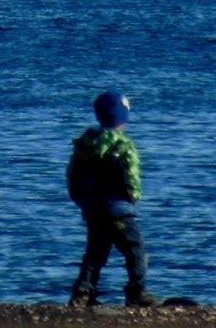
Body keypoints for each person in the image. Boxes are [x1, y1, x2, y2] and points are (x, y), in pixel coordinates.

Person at [67, 90, 158, 307]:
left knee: (95, 252)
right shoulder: (124, 145)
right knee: (135, 250)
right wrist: (133, 198)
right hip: (119, 209)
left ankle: (83, 293)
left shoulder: (84, 145)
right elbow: (132, 179)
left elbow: (72, 178)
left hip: (93, 208)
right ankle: (137, 292)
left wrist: (82, 201)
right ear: (123, 117)